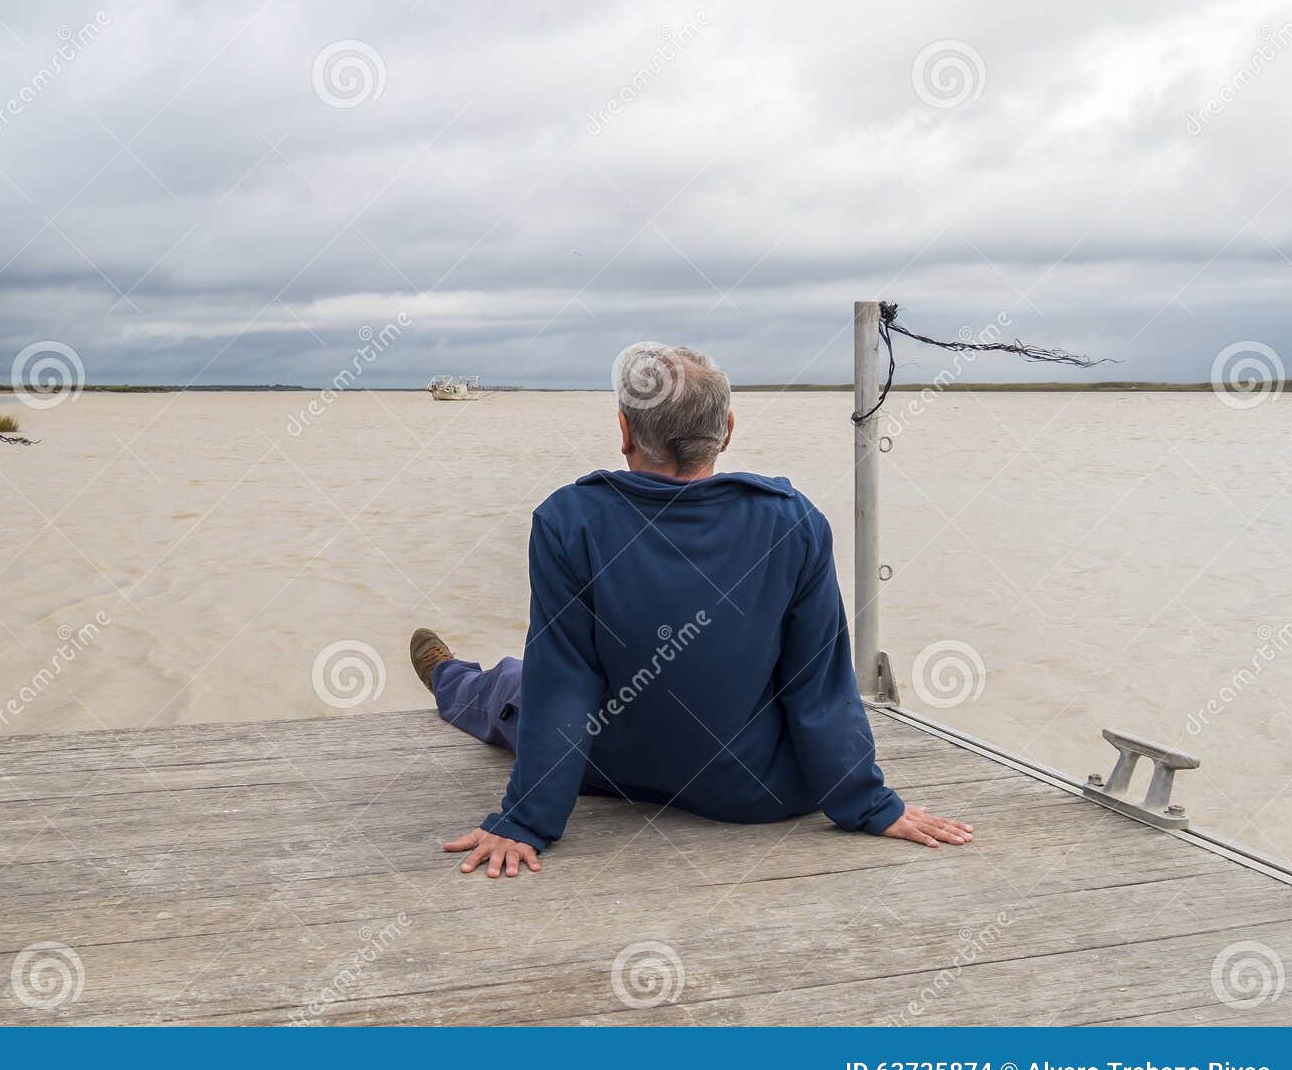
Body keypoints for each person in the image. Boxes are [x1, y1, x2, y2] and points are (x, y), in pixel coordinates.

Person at [410, 342, 973, 880]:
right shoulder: (793, 522)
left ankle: (447, 675)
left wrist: (526, 821)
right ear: (727, 431)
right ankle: (458, 673)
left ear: (624, 430)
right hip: (754, 790)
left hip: (608, 767)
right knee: (527, 681)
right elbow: (817, 684)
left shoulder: (568, 520)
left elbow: (566, 681)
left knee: (516, 685)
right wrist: (869, 804)